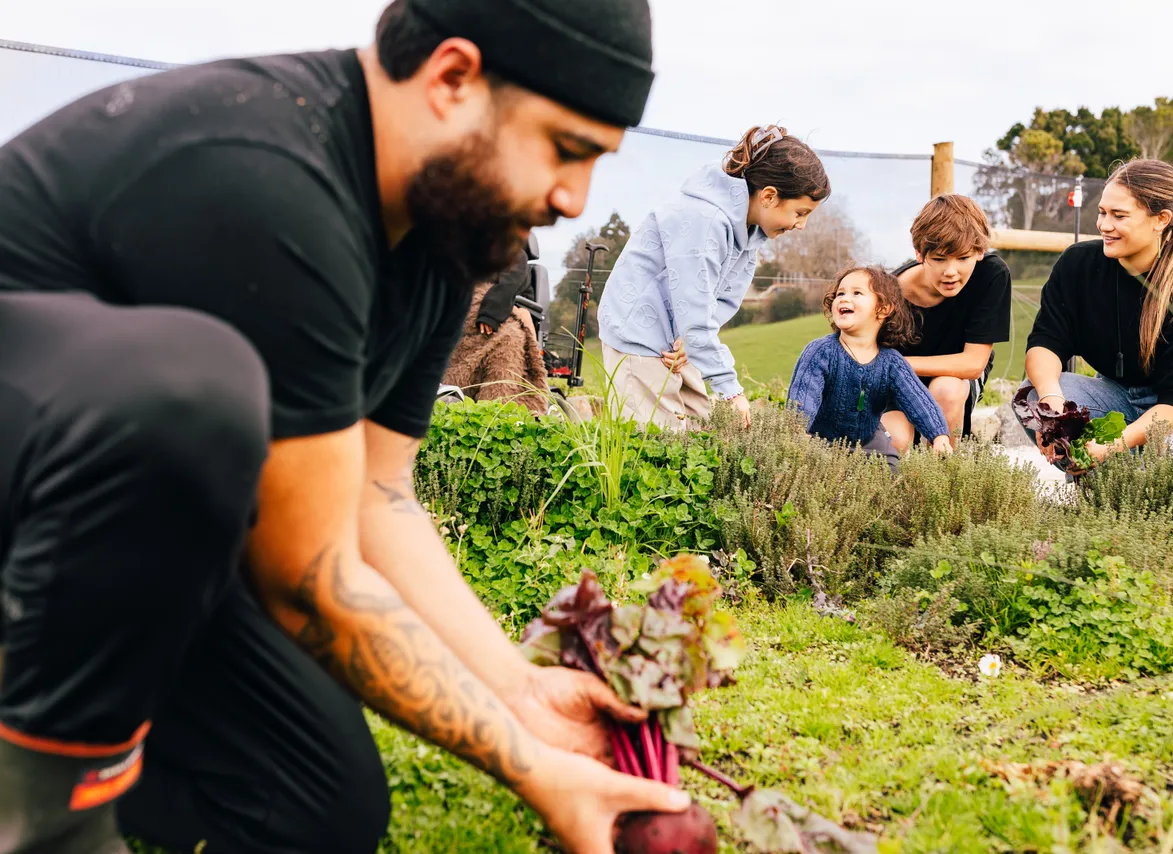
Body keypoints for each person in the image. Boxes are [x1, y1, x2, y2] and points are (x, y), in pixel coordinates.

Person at [0, 1, 694, 852]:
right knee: (188, 390)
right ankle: (44, 821)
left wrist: (518, 691)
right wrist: (532, 768)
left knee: (315, 804)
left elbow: (376, 494)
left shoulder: (441, 234)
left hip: (125, 552)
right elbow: (308, 580)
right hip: (28, 505)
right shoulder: (273, 172)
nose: (572, 199)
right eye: (564, 148)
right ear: (451, 79)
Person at [596, 124, 831, 430]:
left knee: (700, 426)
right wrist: (731, 391)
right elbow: (694, 307)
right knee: (655, 441)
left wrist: (688, 342)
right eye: (800, 213)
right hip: (638, 336)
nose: (801, 225)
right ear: (770, 196)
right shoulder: (703, 221)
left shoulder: (751, 236)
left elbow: (724, 300)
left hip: (680, 338)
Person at [1020, 158, 1173, 470]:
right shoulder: (1078, 266)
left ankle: (1138, 476)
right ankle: (1106, 491)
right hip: (1119, 395)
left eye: (1119, 215)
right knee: (1033, 399)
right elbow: (1046, 342)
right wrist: (1052, 408)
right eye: (1102, 212)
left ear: (1161, 219)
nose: (1103, 225)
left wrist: (1114, 444)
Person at [787, 265, 953, 471]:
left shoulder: (891, 362)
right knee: (818, 478)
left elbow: (918, 399)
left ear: (883, 309)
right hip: (821, 440)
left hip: (869, 441)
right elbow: (803, 398)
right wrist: (796, 431)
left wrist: (939, 435)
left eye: (857, 293)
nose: (844, 299)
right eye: (840, 293)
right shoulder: (822, 352)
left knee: (892, 475)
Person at [881, 194, 1012, 453]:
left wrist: (898, 364)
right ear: (920, 254)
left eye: (963, 258)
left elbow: (974, 364)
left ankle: (943, 476)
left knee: (947, 390)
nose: (951, 271)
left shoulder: (991, 274)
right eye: (939, 259)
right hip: (898, 383)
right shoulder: (889, 294)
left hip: (954, 378)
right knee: (897, 439)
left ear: (980, 251)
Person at [443, 242, 553, 414]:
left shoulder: (515, 255)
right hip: (465, 311)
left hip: (503, 310)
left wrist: (490, 313)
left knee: (508, 338)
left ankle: (496, 405)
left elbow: (507, 287)